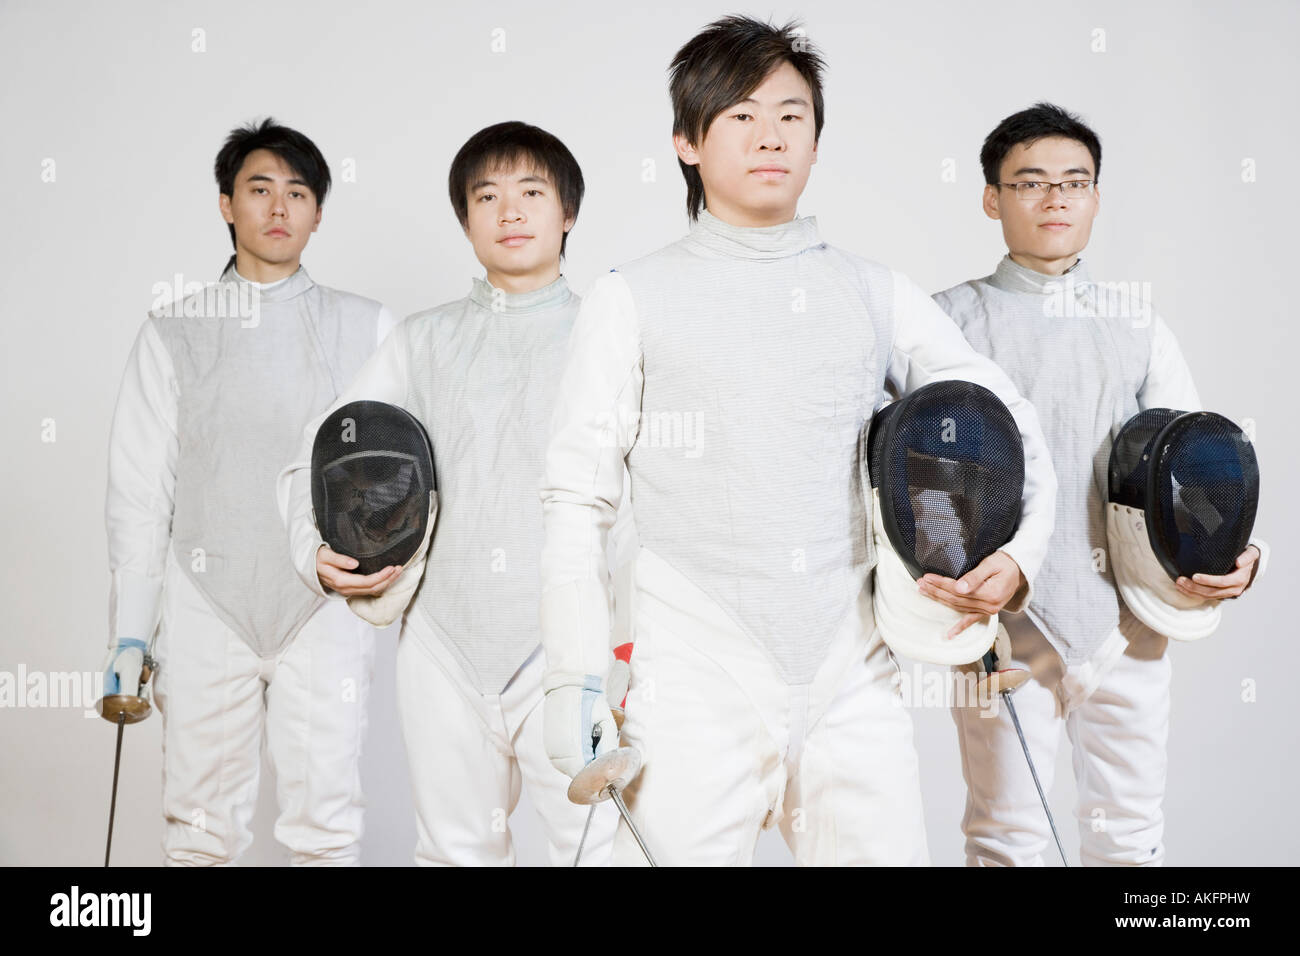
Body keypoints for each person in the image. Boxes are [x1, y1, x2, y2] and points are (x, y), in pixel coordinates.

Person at [538, 16, 1058, 866]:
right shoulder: (631, 296)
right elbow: (575, 496)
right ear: (686, 140)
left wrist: (1023, 553)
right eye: (741, 115)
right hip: (693, 674)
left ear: (817, 139)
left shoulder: (872, 291)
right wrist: (573, 677)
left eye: (792, 114)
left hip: (852, 665)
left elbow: (1005, 417)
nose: (771, 134)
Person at [278, 121, 623, 866]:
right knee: (453, 853)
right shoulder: (421, 341)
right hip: (442, 638)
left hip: (572, 641)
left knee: (595, 849)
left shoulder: (614, 332)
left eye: (532, 193)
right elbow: (318, 450)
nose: (510, 212)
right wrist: (314, 551)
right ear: (465, 220)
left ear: (567, 212)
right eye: (487, 196)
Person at [934, 102, 1268, 866]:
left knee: (1130, 836)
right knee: (1006, 837)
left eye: (1074, 183)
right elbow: (914, 481)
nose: (1055, 199)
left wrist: (1239, 554)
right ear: (992, 198)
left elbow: (1197, 465)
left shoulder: (1136, 323)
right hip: (1003, 628)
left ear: (1094, 197)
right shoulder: (948, 321)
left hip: (1130, 625)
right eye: (1031, 183)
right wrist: (955, 605)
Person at [102, 118, 395, 865]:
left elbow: (404, 473)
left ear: (318, 214)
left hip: (327, 606)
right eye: (259, 189)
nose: (278, 207)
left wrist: (379, 585)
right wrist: (133, 632)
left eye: (297, 193)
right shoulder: (174, 332)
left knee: (326, 822)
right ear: (226, 203)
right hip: (207, 602)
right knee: (200, 829)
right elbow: (141, 494)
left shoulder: (369, 329)